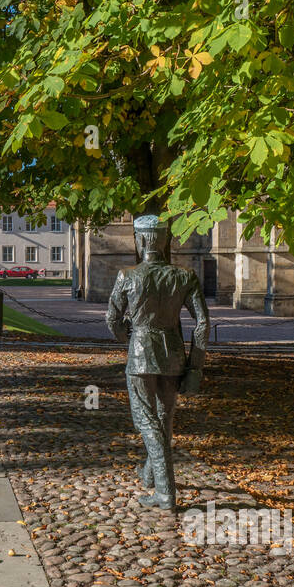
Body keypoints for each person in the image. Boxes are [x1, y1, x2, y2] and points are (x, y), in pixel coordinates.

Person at [105, 215, 210, 509]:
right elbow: (202, 323)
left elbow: (112, 318)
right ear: (166, 241)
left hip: (140, 354)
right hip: (174, 354)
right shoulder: (185, 276)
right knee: (164, 418)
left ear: (140, 241)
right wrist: (196, 367)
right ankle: (151, 474)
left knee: (146, 421)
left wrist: (129, 338)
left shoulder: (128, 276)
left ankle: (165, 492)